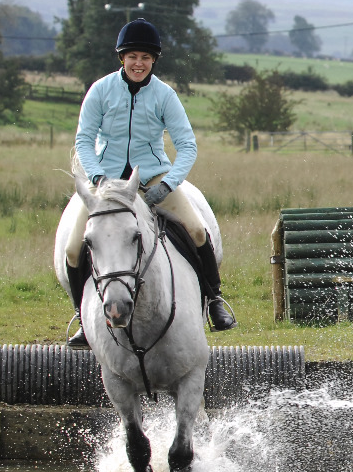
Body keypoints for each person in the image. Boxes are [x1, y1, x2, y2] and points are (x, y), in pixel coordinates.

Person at [62, 18, 237, 348]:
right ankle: (83, 319)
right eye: (132, 57)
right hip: (107, 180)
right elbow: (84, 139)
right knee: (73, 249)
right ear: (122, 59)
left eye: (145, 57)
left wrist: (168, 184)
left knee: (198, 231)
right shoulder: (99, 90)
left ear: (153, 60)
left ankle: (215, 302)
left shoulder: (164, 95)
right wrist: (97, 177)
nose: (138, 63)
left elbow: (187, 145)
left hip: (154, 176)